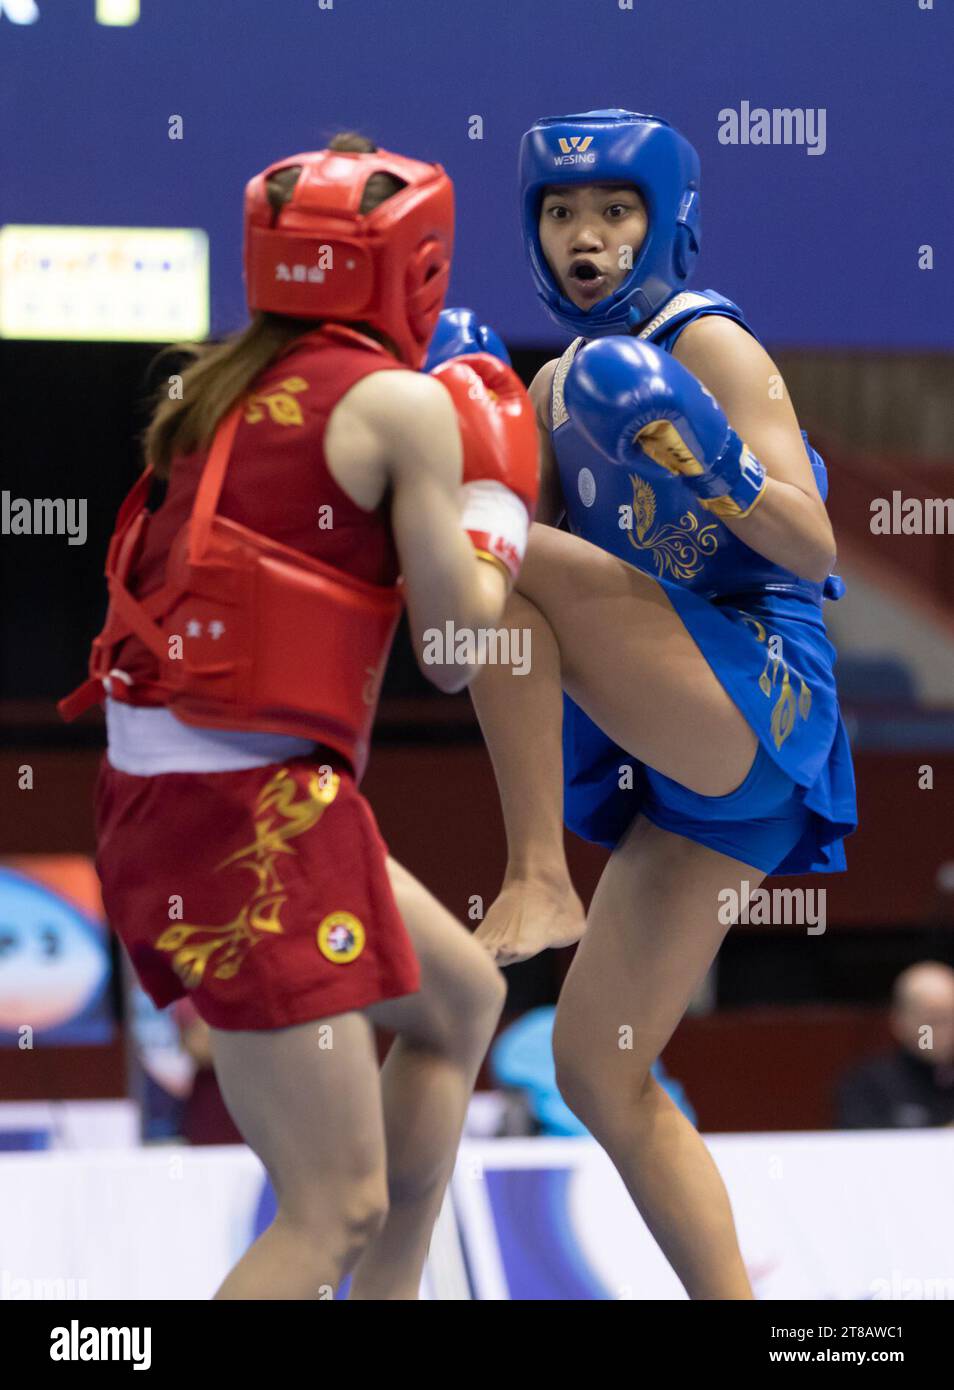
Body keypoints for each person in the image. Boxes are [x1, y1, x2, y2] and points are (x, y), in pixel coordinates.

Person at [59, 133, 538, 1299]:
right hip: (246, 813)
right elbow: (455, 647)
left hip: (188, 798)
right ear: (410, 265)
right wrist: (496, 501)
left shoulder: (209, 387)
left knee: (461, 1001)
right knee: (330, 1210)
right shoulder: (397, 405)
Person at [467, 109, 858, 1299]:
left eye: (614, 210)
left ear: (665, 221)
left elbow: (814, 540)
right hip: (679, 748)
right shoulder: (547, 391)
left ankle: (538, 870)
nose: (586, 236)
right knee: (598, 1066)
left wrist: (710, 459)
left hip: (758, 686)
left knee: (501, 545)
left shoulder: (713, 343)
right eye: (562, 212)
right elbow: (495, 605)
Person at [836, 962, 954, 1128]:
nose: (945, 1030)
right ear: (899, 1021)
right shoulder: (868, 1085)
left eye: (950, 1018)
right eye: (932, 1020)